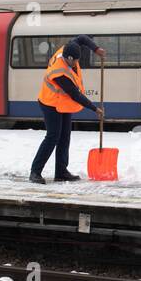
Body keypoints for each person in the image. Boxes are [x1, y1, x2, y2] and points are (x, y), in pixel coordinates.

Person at [30, 35, 105, 184]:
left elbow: (82, 38)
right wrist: (94, 109)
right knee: (53, 137)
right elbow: (75, 94)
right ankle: (35, 172)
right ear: (69, 58)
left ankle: (61, 172)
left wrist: (96, 49)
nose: (77, 63)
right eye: (76, 60)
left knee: (65, 136)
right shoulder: (60, 73)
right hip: (50, 103)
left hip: (63, 103)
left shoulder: (69, 47)